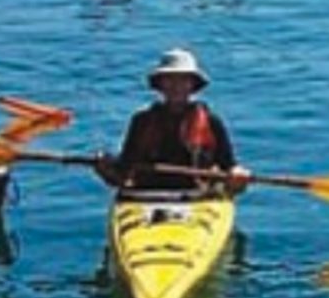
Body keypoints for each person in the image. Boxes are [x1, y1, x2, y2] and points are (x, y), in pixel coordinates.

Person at [96, 48, 250, 194]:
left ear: (192, 85)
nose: (176, 86)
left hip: (198, 196)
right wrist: (107, 166)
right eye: (170, 79)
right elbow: (125, 167)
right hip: (147, 195)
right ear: (161, 85)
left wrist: (237, 174)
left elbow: (228, 165)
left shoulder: (211, 121)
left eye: (183, 80)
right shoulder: (141, 121)